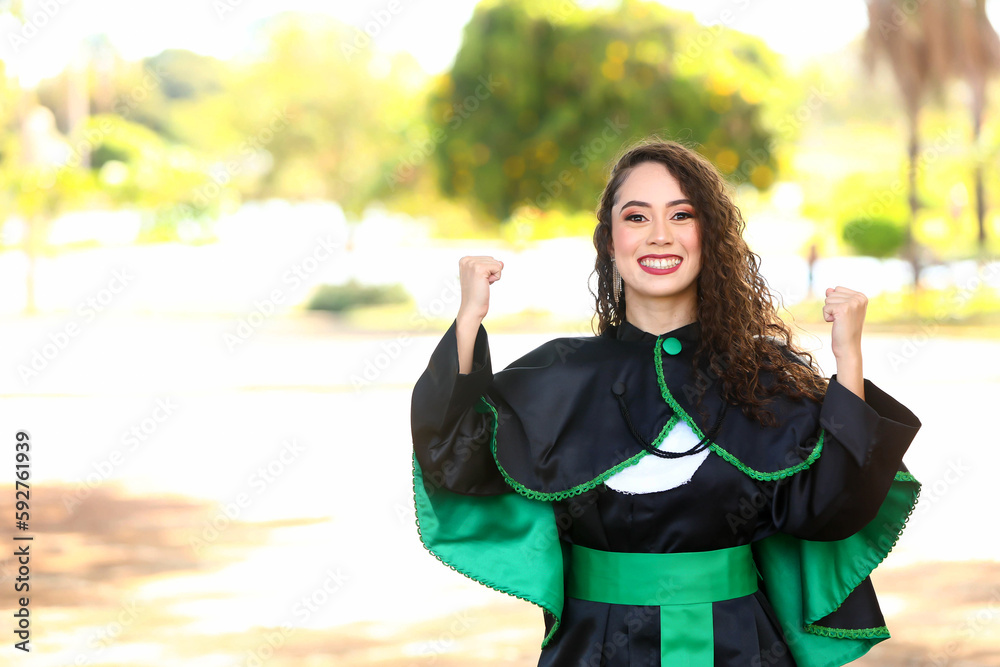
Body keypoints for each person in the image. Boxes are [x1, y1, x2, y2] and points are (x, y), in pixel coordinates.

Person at [410, 138, 922, 667]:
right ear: (610, 241)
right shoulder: (558, 374)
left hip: (740, 646)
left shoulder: (763, 378)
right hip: (591, 649)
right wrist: (468, 318)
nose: (660, 235)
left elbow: (832, 507)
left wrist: (849, 357)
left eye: (682, 215)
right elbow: (453, 457)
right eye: (636, 217)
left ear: (710, 236)